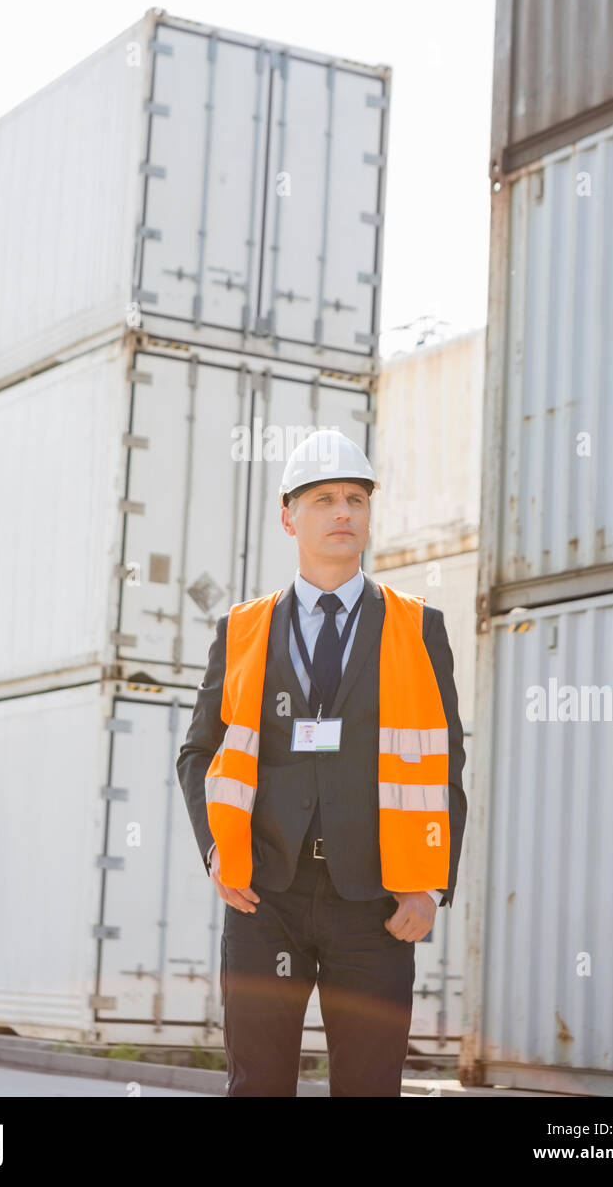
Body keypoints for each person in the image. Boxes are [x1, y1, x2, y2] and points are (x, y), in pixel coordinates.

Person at [176, 430, 467, 1096]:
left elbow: (444, 764)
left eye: (356, 499)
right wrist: (219, 852)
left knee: (369, 1086)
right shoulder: (243, 631)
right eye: (325, 499)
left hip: (376, 903)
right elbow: (198, 753)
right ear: (289, 517)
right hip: (265, 898)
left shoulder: (418, 627)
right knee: (258, 1084)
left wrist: (430, 885)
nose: (344, 512)